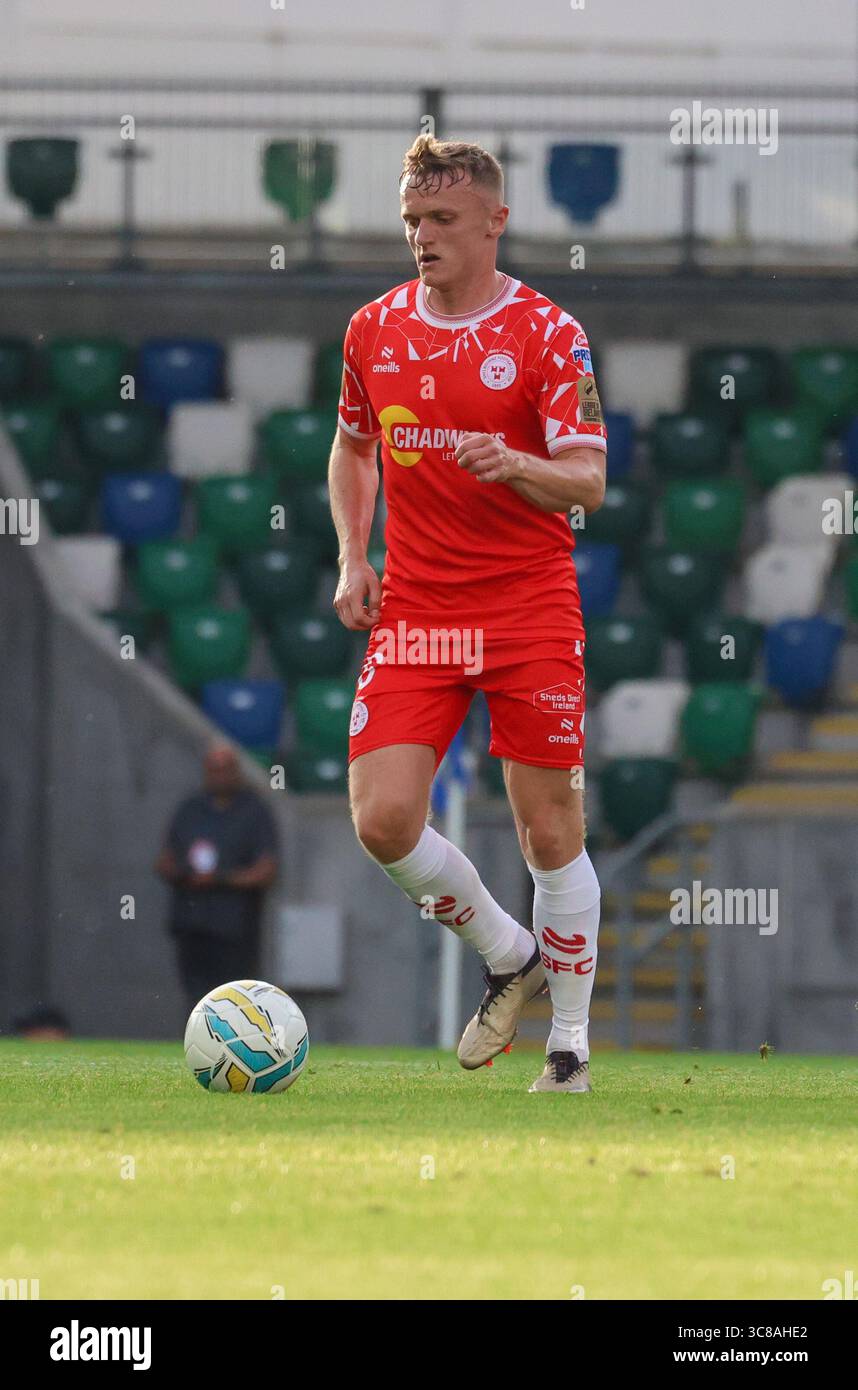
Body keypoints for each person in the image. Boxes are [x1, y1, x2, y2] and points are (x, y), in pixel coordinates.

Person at [330, 135, 607, 1094]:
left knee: (549, 833)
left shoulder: (548, 336)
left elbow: (591, 479)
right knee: (384, 819)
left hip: (527, 606)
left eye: (442, 219)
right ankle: (509, 954)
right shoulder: (372, 329)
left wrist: (520, 463)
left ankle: (567, 1047)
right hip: (418, 609)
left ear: (496, 221)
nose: (423, 237)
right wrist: (351, 554)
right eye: (412, 220)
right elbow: (353, 447)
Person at [156, 743, 279, 1014]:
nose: (219, 776)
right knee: (194, 997)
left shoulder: (254, 811)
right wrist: (185, 874)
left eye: (226, 769)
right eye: (213, 769)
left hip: (234, 927)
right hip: (191, 921)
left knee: (234, 1000)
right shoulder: (189, 808)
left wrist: (219, 879)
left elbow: (265, 870)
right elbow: (164, 860)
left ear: (237, 772)